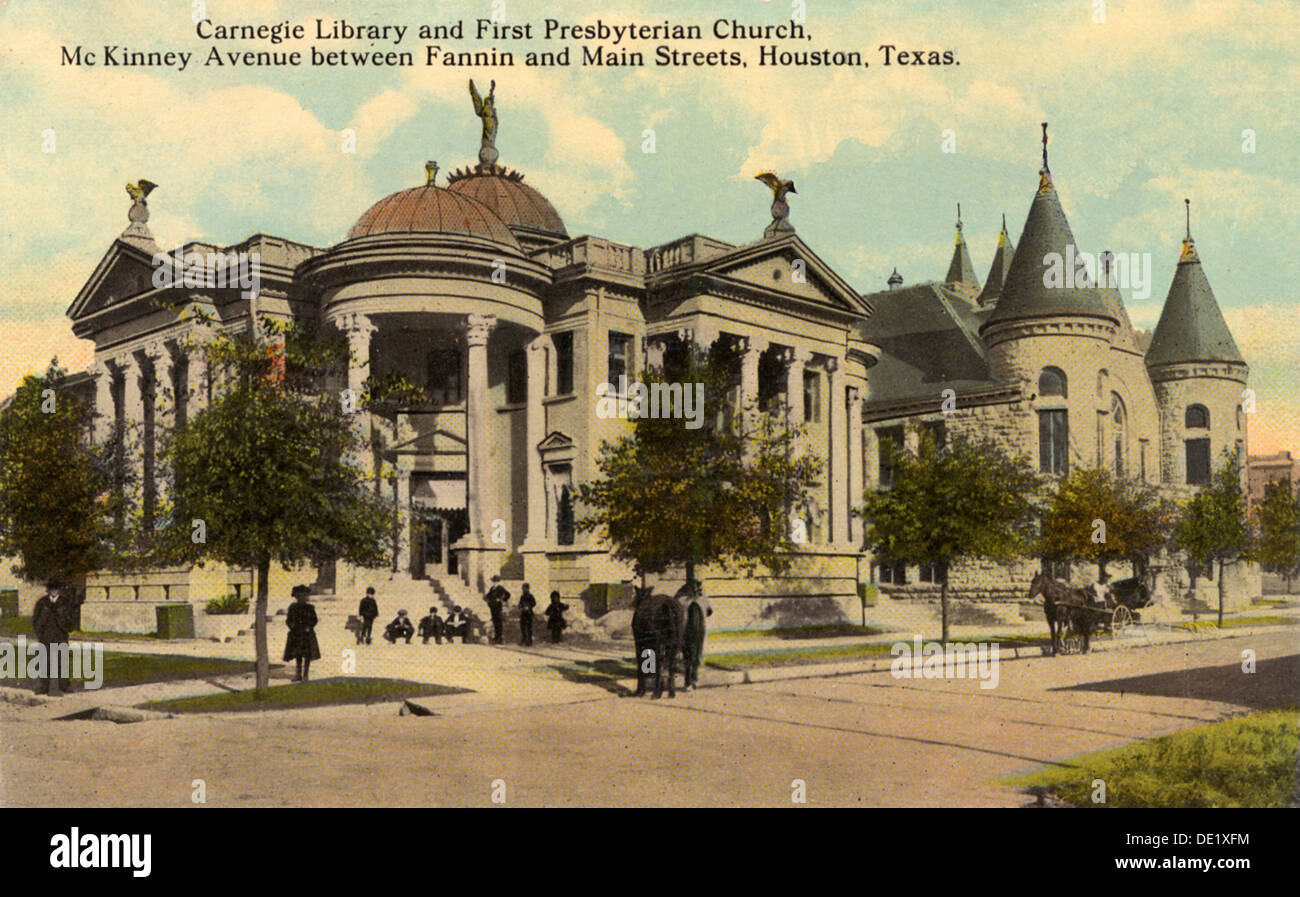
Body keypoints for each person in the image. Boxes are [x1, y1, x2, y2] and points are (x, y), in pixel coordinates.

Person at [31, 581, 72, 696]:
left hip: (60, 635)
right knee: (44, 662)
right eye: (52, 588)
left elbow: (71, 619)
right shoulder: (42, 602)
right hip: (46, 636)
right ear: (48, 590)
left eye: (56, 588)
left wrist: (65, 627)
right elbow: (35, 619)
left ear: (59, 589)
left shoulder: (65, 602)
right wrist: (40, 632)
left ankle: (64, 685)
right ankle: (43, 686)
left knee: (62, 661)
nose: (54, 590)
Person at [283, 585, 321, 682]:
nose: (302, 598)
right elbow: (288, 620)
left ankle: (305, 675)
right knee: (298, 655)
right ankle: (298, 674)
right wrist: (291, 627)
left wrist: (309, 627)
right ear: (296, 597)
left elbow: (314, 620)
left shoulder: (310, 608)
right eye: (299, 596)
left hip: (307, 635)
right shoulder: (292, 607)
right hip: (296, 634)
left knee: (307, 656)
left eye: (304, 596)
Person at [484, 576, 510, 644]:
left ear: (498, 581)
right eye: (493, 581)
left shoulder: (500, 588)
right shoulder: (492, 588)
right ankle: (496, 637)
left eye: (495, 581)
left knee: (498, 622)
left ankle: (499, 638)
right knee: (495, 622)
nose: (494, 582)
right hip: (492, 607)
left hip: (498, 607)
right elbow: (489, 595)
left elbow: (508, 594)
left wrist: (501, 600)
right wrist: (486, 597)